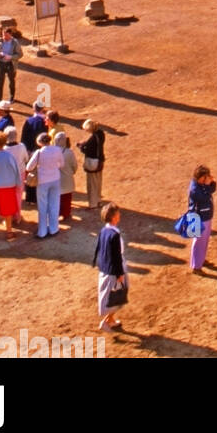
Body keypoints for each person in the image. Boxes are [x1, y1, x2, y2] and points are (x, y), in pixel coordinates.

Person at [94, 203, 127, 333]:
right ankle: (106, 321)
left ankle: (111, 320)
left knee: (115, 296)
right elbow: (116, 256)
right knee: (117, 296)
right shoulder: (114, 234)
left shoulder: (104, 231)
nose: (119, 215)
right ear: (113, 217)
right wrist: (119, 273)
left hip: (106, 267)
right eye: (118, 214)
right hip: (114, 269)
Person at [27, 131, 63, 238]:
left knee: (43, 206)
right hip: (55, 179)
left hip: (43, 181)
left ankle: (42, 231)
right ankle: (54, 229)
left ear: (40, 142)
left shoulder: (39, 152)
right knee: (54, 204)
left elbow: (28, 167)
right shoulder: (57, 150)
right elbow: (62, 164)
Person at [187, 165, 216, 272]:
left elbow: (212, 190)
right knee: (198, 242)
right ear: (199, 177)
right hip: (198, 218)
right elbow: (204, 198)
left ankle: (201, 260)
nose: (206, 179)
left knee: (204, 240)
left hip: (205, 216)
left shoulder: (200, 184)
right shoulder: (194, 189)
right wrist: (208, 185)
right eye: (205, 177)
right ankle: (196, 266)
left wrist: (211, 182)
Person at [0, 28, 23, 105]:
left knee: (11, 82)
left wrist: (10, 57)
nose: (4, 37)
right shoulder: (0, 41)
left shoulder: (15, 43)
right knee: (0, 83)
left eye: (6, 35)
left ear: (10, 35)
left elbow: (20, 54)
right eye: (3, 35)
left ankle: (12, 97)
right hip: (1, 64)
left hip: (11, 65)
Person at [80, 119, 105, 209]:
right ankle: (98, 201)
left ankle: (93, 204)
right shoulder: (100, 134)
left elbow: (87, 150)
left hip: (92, 162)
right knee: (98, 182)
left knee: (92, 184)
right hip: (99, 161)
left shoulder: (93, 138)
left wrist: (82, 146)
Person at [55, 131, 77, 223]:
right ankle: (66, 214)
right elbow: (74, 165)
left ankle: (57, 213)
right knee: (67, 198)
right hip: (67, 178)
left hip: (56, 179)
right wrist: (72, 172)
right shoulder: (69, 152)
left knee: (57, 198)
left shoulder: (53, 151)